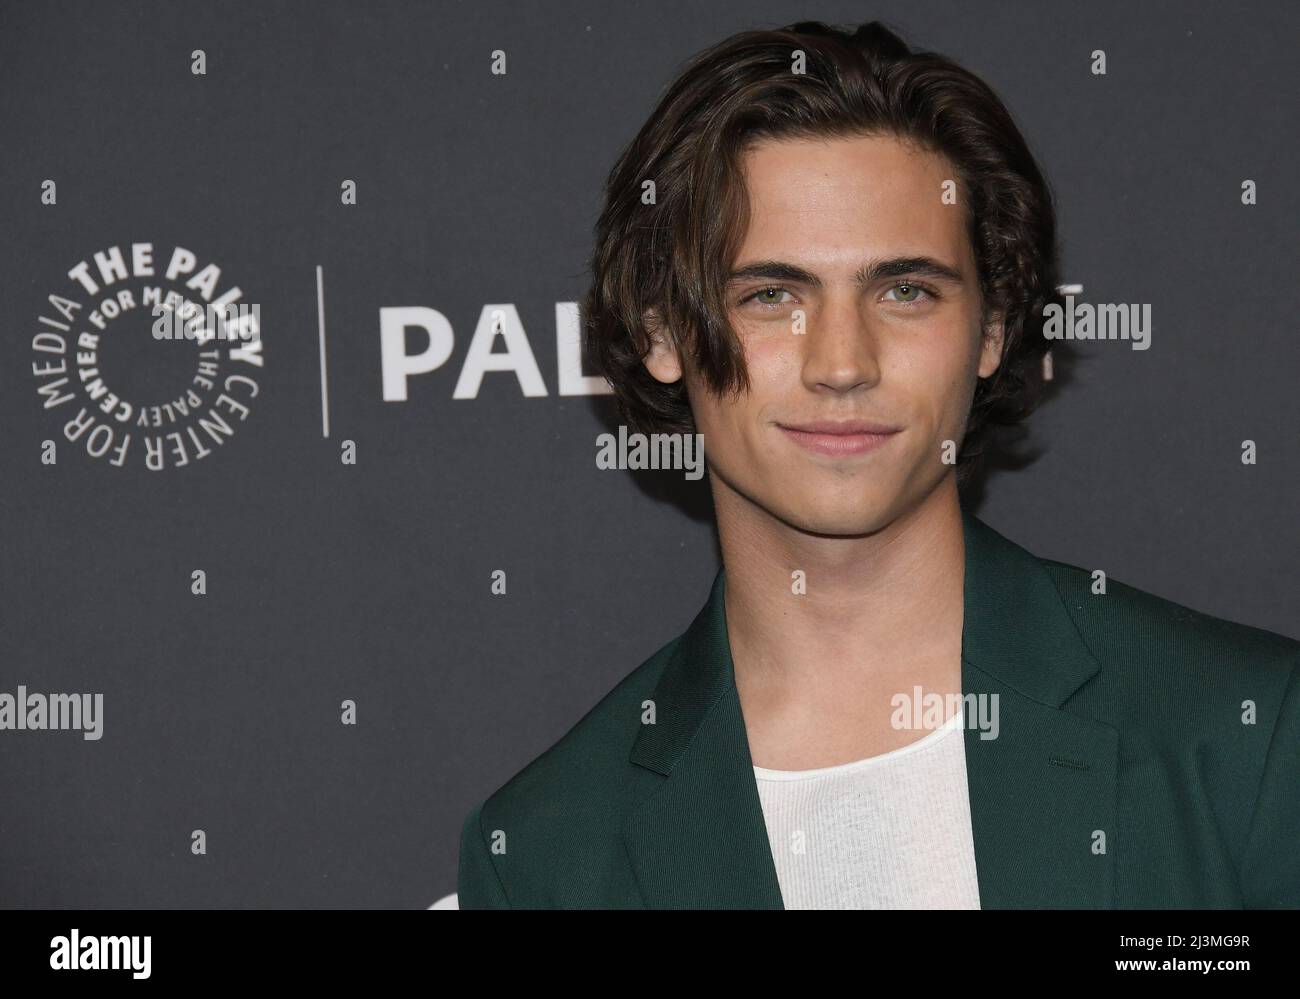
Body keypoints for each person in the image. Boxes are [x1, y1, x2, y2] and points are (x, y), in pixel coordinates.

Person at [457, 19, 1299, 909]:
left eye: (906, 291)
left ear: (995, 327)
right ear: (661, 331)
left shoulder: (1243, 738)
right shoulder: (550, 855)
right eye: (771, 295)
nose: (842, 363)